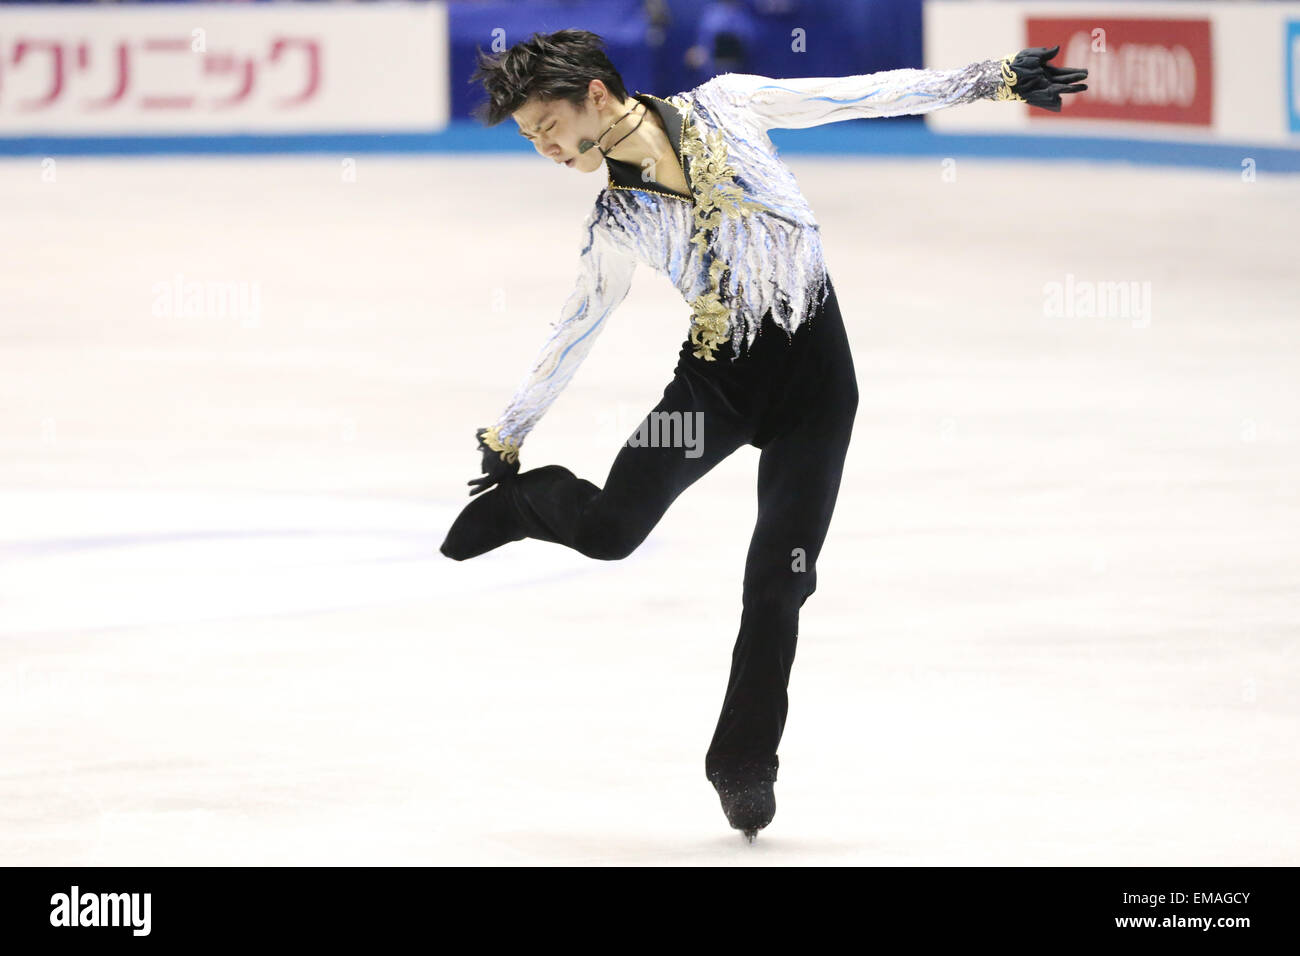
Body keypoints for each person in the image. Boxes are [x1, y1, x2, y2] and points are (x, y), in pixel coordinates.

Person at [442, 29, 1086, 842]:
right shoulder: (615, 218)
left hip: (817, 391)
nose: (541, 148)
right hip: (712, 390)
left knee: (779, 581)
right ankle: (527, 507)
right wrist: (509, 436)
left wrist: (992, 81)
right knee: (608, 533)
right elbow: (577, 326)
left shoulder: (731, 105)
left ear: (594, 97)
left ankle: (742, 762)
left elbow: (868, 92)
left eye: (544, 127)